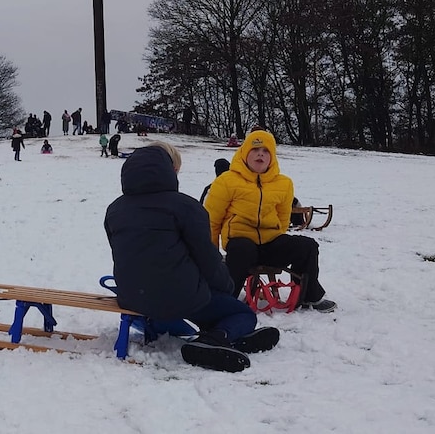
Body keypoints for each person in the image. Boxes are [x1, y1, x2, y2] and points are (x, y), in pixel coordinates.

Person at [104, 142, 280, 372]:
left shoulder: (115, 209)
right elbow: (208, 259)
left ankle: (228, 337)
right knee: (242, 313)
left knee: (189, 299)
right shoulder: (185, 207)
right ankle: (214, 339)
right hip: (180, 297)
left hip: (132, 297)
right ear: (171, 170)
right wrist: (226, 286)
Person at [203, 130, 336, 313]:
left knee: (308, 246)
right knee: (242, 249)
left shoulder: (283, 184)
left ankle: (309, 295)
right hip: (240, 242)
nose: (260, 154)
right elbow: (211, 221)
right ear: (244, 153)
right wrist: (212, 255)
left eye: (266, 151)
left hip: (270, 242)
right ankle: (226, 299)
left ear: (272, 156)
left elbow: (283, 218)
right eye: (255, 149)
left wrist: (276, 238)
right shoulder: (226, 181)